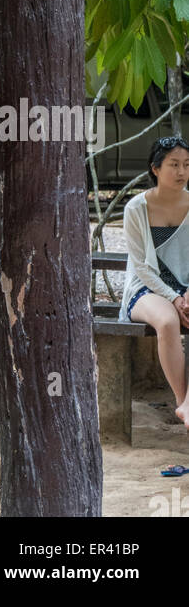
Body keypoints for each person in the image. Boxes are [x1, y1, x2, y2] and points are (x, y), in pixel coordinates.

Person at [121, 135, 189, 431]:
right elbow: (140, 266)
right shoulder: (136, 208)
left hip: (185, 288)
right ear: (156, 169)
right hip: (147, 288)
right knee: (167, 321)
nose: (182, 172)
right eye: (174, 164)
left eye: (187, 164)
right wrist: (174, 298)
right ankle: (182, 402)